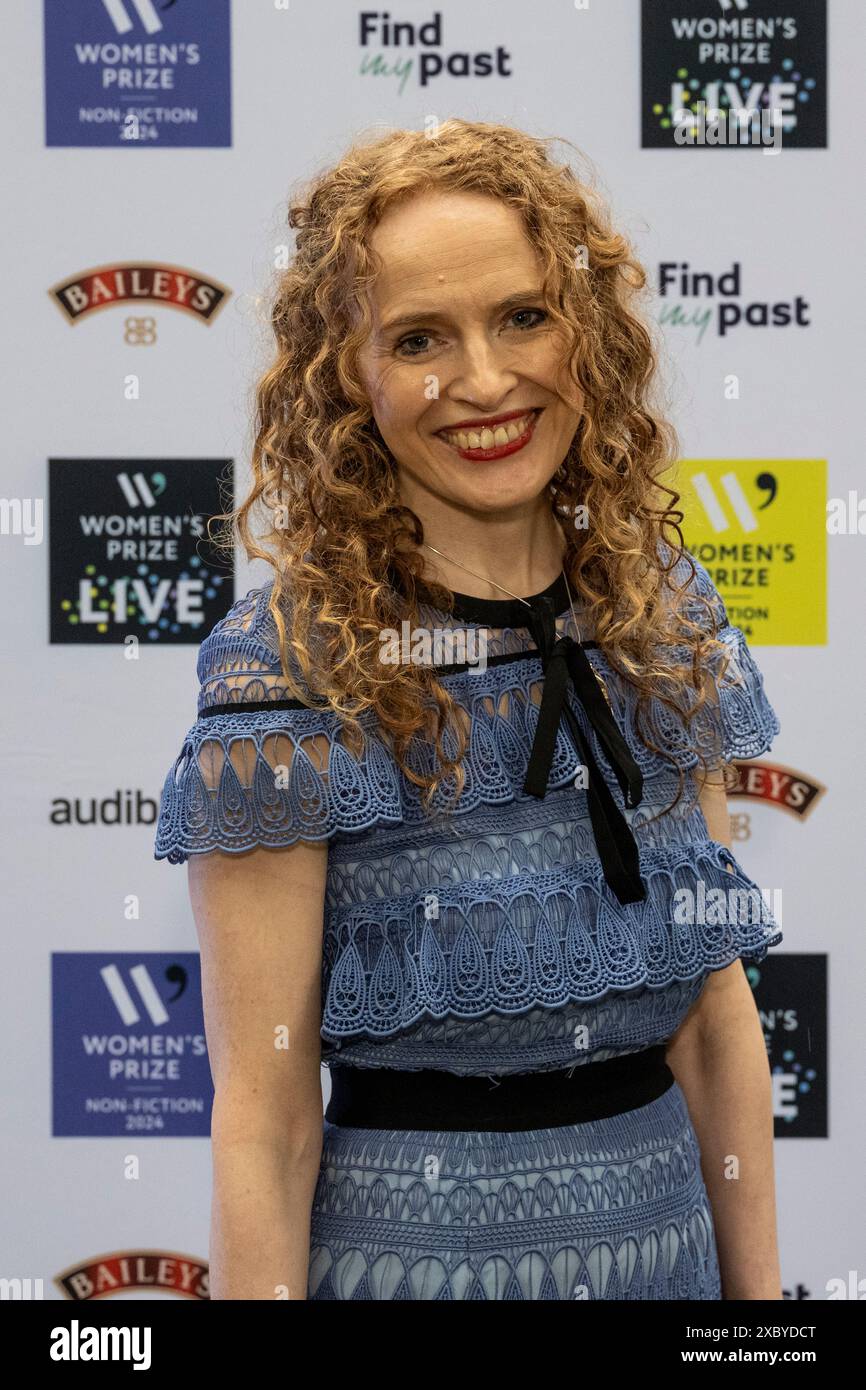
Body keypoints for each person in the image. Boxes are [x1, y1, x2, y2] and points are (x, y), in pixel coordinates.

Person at [154, 120, 784, 1301]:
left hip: (667, 1263)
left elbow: (709, 1018)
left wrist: (758, 1319)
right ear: (348, 373)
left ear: (583, 330)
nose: (484, 381)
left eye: (523, 317)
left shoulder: (662, 616)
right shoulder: (288, 670)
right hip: (411, 1265)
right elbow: (265, 1115)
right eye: (418, 338)